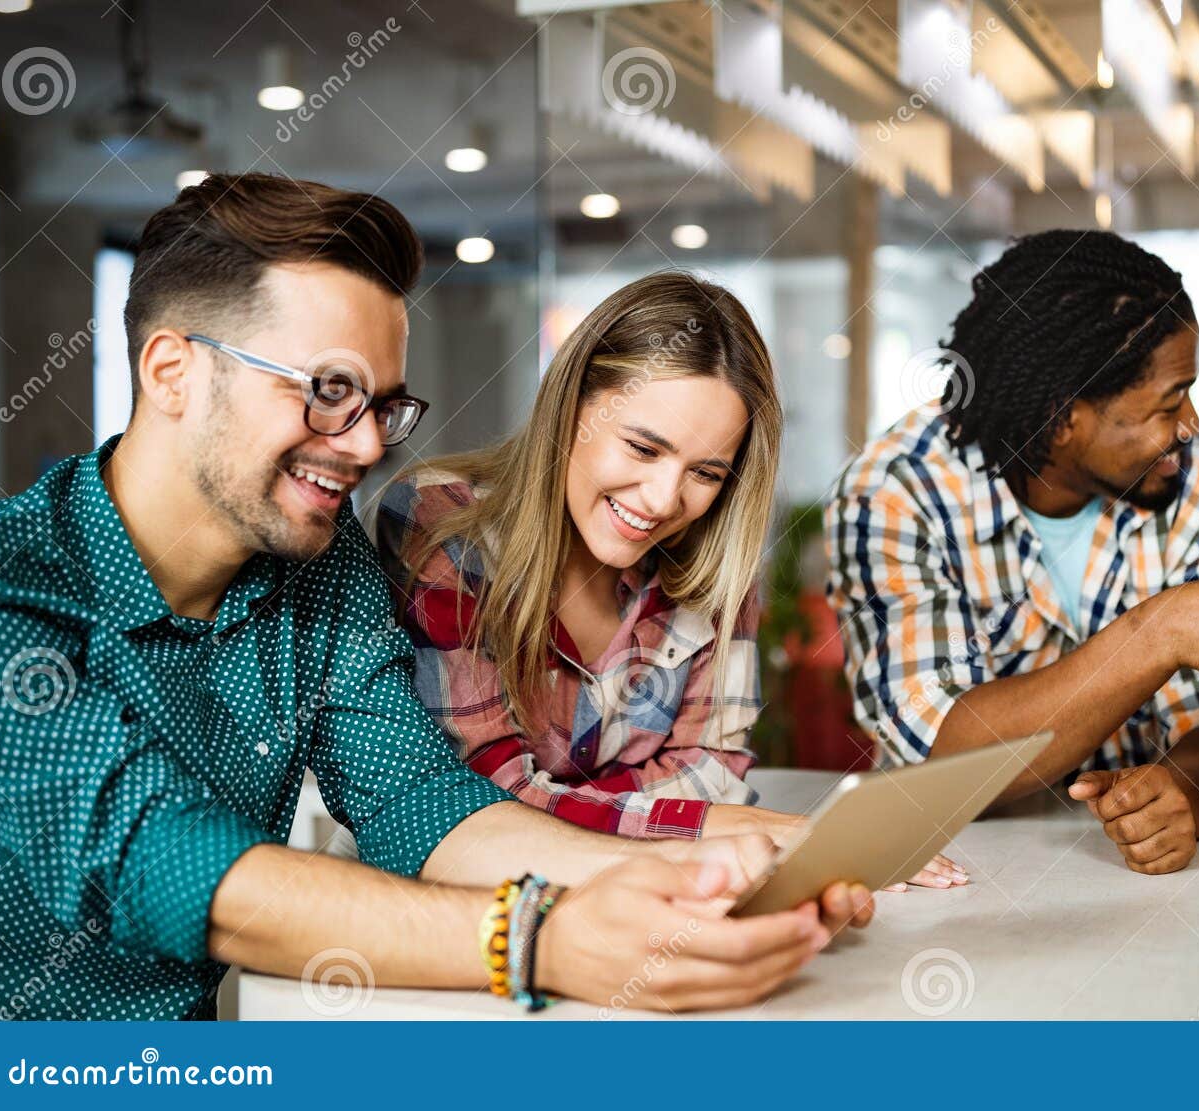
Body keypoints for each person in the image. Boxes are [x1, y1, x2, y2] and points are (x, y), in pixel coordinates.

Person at [0, 173, 875, 1022]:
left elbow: (415, 803)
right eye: (329, 391)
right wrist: (541, 936)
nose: (369, 446)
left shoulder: (318, 562)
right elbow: (163, 861)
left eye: (382, 405)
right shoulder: (10, 585)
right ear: (172, 370)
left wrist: (689, 887)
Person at [375, 271, 963, 890]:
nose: (662, 501)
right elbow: (475, 805)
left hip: (648, 897)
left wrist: (672, 821)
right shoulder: (440, 522)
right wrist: (706, 826)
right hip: (444, 921)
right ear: (570, 406)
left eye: (705, 473)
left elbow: (713, 770)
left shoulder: (713, 563)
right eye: (643, 448)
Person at [826, 229, 1199, 878]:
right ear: (1062, 416)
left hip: (1156, 896)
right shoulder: (897, 489)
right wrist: (1162, 628)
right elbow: (940, 753)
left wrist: (1186, 796)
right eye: (1170, 400)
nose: (1192, 424)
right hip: (955, 878)